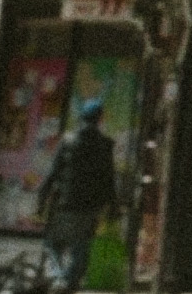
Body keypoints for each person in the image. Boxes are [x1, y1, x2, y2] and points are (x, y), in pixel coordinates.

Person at [37, 99, 117, 291]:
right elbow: (109, 180)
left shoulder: (67, 141)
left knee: (52, 244)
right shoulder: (105, 145)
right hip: (90, 208)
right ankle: (69, 282)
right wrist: (113, 206)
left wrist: (41, 200)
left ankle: (59, 278)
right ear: (99, 119)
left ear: (82, 117)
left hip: (65, 204)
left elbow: (52, 174)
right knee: (81, 246)